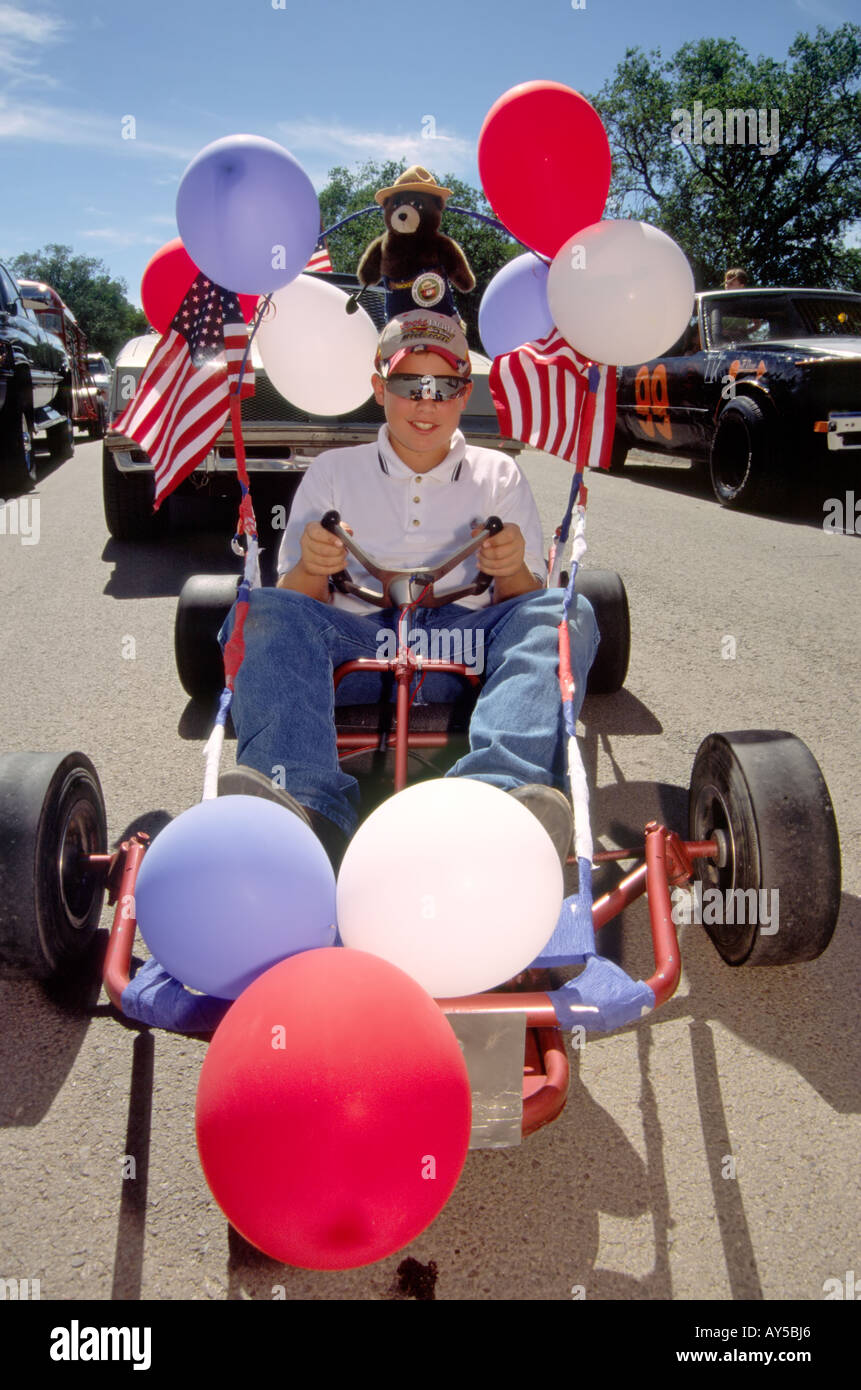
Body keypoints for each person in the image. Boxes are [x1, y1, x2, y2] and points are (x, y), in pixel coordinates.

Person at [218, 310, 599, 868]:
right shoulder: (332, 471)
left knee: (563, 614)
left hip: (465, 648)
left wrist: (510, 566)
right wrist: (314, 566)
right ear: (379, 387)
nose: (427, 403)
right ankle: (303, 807)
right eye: (409, 385)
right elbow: (294, 602)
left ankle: (496, 803)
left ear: (465, 392)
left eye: (445, 387)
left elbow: (524, 604)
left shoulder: (499, 475)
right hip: (355, 643)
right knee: (262, 612)